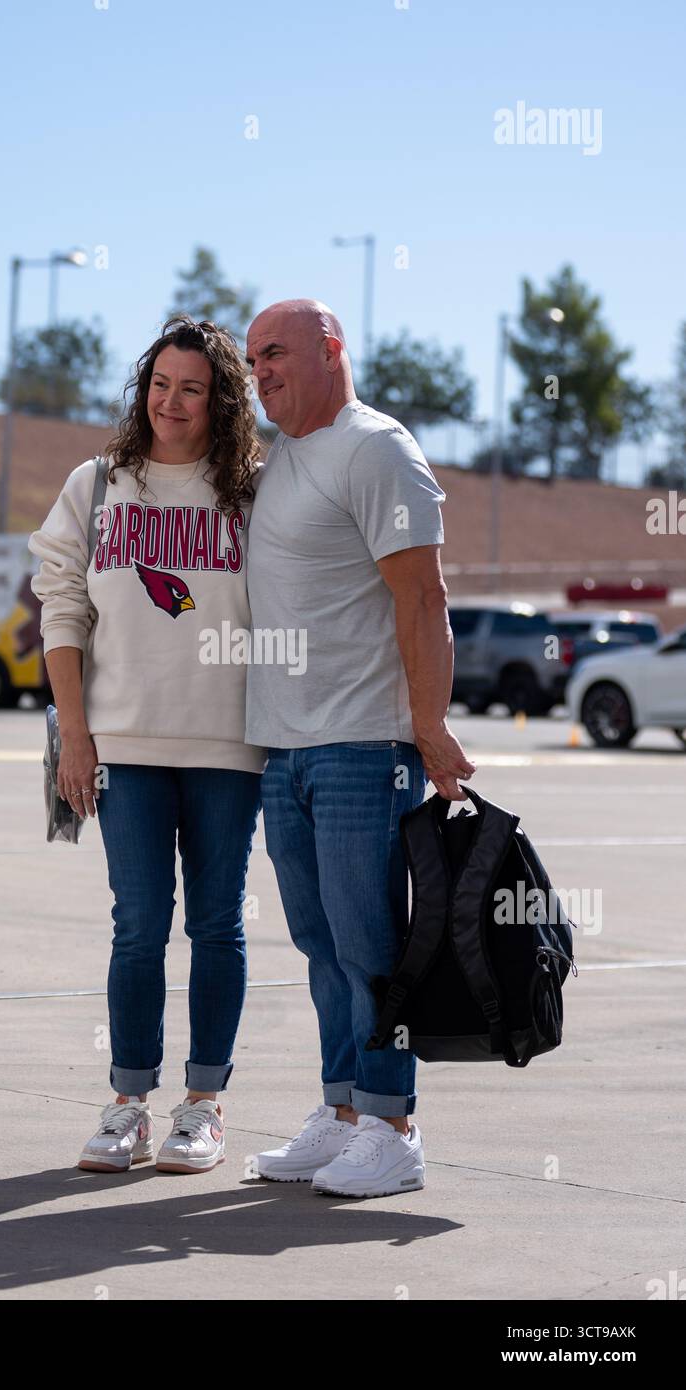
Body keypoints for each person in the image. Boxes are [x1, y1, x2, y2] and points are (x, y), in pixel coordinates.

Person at [244, 298, 476, 1198]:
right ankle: (341, 1111)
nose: (260, 370)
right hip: (286, 748)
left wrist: (428, 727)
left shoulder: (377, 449)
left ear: (331, 351)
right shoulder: (285, 458)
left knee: (369, 941)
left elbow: (424, 600)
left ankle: (392, 1126)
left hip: (361, 745)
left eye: (276, 353)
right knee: (319, 942)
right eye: (253, 358)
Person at [28, 315, 264, 1176]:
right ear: (144, 390)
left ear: (219, 400)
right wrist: (75, 738)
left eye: (192, 388)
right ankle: (127, 1104)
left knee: (216, 926)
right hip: (121, 742)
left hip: (229, 746)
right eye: (161, 384)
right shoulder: (98, 485)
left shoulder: (253, 492)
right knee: (138, 926)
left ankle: (202, 1107)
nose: (172, 401)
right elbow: (63, 610)